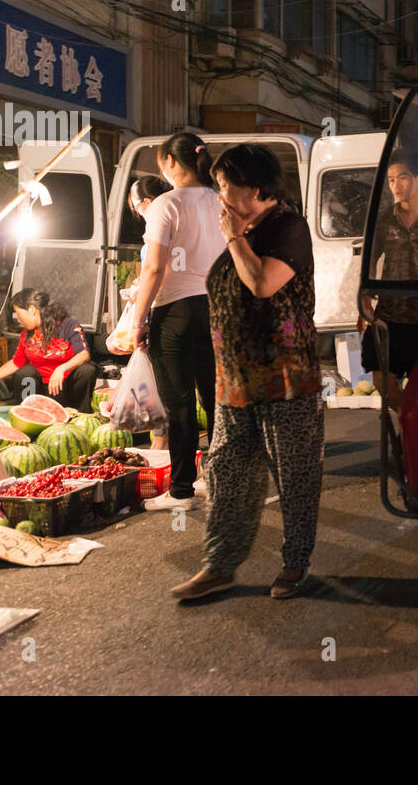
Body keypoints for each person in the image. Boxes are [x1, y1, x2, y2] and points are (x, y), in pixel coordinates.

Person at [170, 144, 324, 602]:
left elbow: (261, 284)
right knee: (227, 474)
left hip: (285, 382)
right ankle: (218, 565)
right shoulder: (246, 227)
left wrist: (234, 238)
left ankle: (295, 563)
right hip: (234, 383)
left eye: (225, 187)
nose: (219, 196)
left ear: (255, 190)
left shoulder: (288, 228)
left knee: (295, 477)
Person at [130, 133, 225, 511]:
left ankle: (183, 490)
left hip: (177, 312)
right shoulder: (221, 200)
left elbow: (153, 267)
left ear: (170, 161)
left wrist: (138, 319)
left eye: (161, 164)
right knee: (216, 398)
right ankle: (220, 480)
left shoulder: (165, 205)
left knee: (180, 403)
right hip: (217, 308)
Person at [361, 149, 418, 404]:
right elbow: (369, 259)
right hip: (390, 315)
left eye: (402, 177)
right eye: (391, 180)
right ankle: (406, 422)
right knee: (383, 382)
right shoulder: (383, 221)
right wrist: (364, 297)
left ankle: (415, 431)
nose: (395, 185)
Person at [0, 289, 98, 409]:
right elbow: (16, 363)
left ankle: (81, 414)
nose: (19, 320)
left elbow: (84, 354)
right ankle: (27, 413)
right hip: (40, 391)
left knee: (87, 370)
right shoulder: (26, 334)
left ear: (31, 309)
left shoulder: (68, 325)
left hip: (65, 388)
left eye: (19, 314)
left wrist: (61, 369)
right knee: (24, 372)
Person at [126, 176, 173, 450]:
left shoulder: (160, 229)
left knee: (162, 381)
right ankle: (165, 442)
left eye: (136, 207)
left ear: (147, 202)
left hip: (164, 312)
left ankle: (162, 442)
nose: (137, 213)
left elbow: (158, 272)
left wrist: (139, 319)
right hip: (175, 309)